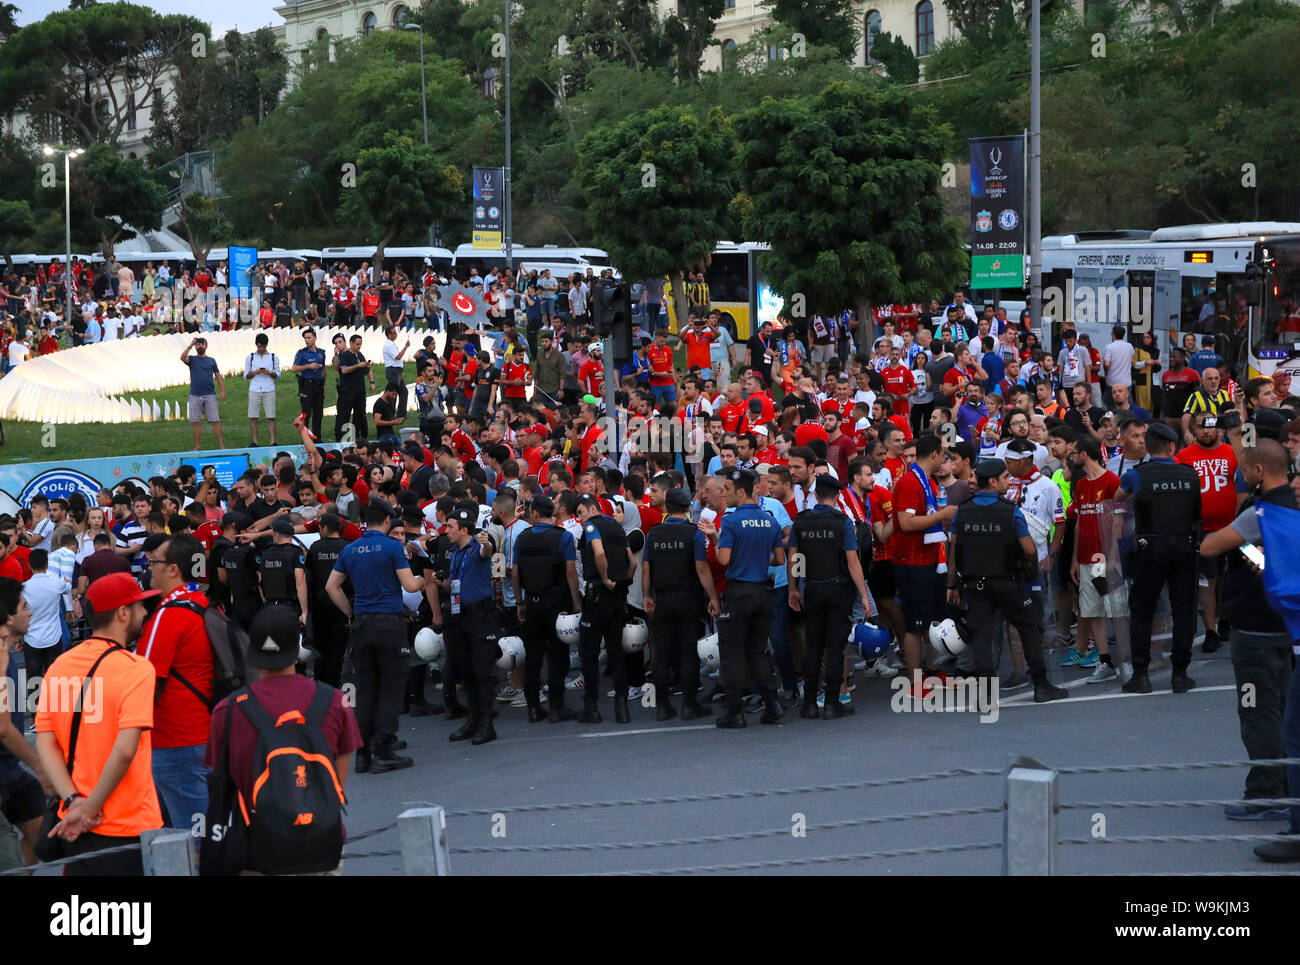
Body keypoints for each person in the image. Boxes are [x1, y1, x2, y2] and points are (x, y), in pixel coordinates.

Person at [203, 604, 362, 876]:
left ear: (253, 651)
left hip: (258, 849)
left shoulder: (227, 712)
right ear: (297, 649)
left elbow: (222, 780)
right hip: (321, 844)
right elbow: (336, 783)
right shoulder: (335, 702)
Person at [35, 572, 164, 875]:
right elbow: (124, 751)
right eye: (140, 607)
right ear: (122, 613)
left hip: (73, 823)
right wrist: (91, 807)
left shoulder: (60, 666)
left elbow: (45, 742)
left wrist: (73, 801)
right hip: (127, 823)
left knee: (86, 920)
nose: (145, 613)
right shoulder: (137, 669)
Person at [1200, 440, 1294, 823]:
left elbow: (1209, 546)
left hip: (1255, 628)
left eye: (1244, 469)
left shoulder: (1261, 512)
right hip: (1289, 625)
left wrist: (1249, 550)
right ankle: (1288, 784)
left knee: (1256, 711)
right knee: (1285, 709)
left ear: (1258, 471)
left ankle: (1266, 792)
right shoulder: (1295, 506)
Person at [947, 459, 1069, 705]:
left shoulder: (962, 511)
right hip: (1009, 583)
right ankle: (1041, 685)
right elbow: (1028, 548)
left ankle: (985, 695)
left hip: (975, 585)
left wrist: (952, 585)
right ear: (992, 482)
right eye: (1004, 477)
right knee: (1029, 629)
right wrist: (1031, 574)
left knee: (980, 636)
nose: (1009, 481)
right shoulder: (1010, 510)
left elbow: (953, 551)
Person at [137, 534, 216, 830]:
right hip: (204, 734)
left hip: (174, 741)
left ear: (173, 569)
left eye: (155, 561)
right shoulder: (203, 603)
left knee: (190, 841)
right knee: (206, 830)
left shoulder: (168, 614)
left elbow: (146, 682)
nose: (150, 567)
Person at [1117, 421, 1202, 694]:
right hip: (1184, 548)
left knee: (1142, 611)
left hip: (1149, 548)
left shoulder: (1138, 475)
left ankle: (1140, 676)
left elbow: (1119, 497)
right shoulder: (1190, 475)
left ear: (1148, 447)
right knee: (1184, 611)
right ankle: (1180, 674)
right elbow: (1196, 512)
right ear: (1172, 446)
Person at [788, 475, 873, 720]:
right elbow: (852, 561)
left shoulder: (801, 521)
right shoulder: (843, 522)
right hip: (837, 590)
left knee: (814, 645)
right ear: (836, 498)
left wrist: (794, 588)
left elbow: (795, 558)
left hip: (812, 588)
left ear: (815, 495)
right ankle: (833, 702)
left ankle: (810, 703)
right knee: (835, 647)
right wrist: (864, 595)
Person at [711, 468, 786, 728]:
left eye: (728, 491)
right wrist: (756, 558)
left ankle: (735, 711)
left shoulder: (730, 521)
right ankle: (772, 704)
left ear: (740, 492)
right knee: (757, 650)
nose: (724, 494)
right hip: (763, 592)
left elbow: (723, 560)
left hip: (739, 592)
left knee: (732, 652)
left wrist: (715, 539)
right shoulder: (769, 519)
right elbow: (780, 559)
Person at [642, 487, 719, 720]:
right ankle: (689, 704)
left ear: (666, 508)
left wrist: (646, 595)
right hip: (688, 597)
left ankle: (663, 706)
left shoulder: (653, 534)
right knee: (688, 651)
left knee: (662, 653)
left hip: (662, 598)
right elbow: (701, 567)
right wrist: (713, 596)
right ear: (687, 509)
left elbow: (646, 568)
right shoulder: (693, 533)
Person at [892, 435, 958, 697]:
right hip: (912, 562)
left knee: (932, 622)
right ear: (933, 454)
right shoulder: (910, 481)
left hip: (930, 560)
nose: (944, 458)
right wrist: (943, 515)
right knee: (915, 625)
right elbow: (906, 523)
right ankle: (915, 681)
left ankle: (932, 673)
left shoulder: (927, 480)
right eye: (943, 453)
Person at [431, 505, 500, 745]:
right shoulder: (456, 552)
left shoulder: (477, 547)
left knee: (482, 672)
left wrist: (486, 542)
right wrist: (442, 583)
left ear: (463, 529)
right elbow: (455, 585)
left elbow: (487, 551)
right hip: (461, 617)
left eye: (450, 527)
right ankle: (473, 719)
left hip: (481, 616)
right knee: (468, 671)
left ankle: (486, 724)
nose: (446, 530)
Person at [511, 495, 583, 723]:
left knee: (533, 655)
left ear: (533, 513)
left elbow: (515, 572)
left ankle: (533, 706)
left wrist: (520, 602)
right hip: (556, 602)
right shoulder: (563, 537)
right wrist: (576, 601)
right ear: (551, 513)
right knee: (557, 655)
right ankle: (556, 707)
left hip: (531, 601)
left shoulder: (522, 538)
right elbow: (571, 571)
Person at [1175, 409, 1237, 653]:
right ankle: (1210, 629)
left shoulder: (1234, 453)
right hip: (1202, 532)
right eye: (1202, 426)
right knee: (1207, 581)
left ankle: (1226, 618)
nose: (1207, 430)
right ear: (1194, 429)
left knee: (1232, 578)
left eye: (1212, 425)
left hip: (1235, 530)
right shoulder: (1183, 457)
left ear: (1220, 428)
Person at [575, 493, 635, 723]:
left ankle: (591, 707)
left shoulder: (592, 526)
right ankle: (622, 708)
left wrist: (606, 577)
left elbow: (598, 552)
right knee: (615, 651)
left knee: (589, 652)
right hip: (618, 597)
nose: (579, 518)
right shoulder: (617, 526)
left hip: (598, 594)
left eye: (580, 512)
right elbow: (633, 562)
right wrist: (623, 582)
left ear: (591, 509)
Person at [305, 513, 350, 689]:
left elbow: (308, 578)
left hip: (319, 605)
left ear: (324, 528)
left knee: (321, 647)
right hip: (342, 604)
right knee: (339, 648)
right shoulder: (347, 547)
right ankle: (337, 684)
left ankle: (321, 686)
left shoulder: (315, 548)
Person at [180, 336, 226, 451]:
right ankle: (197, 447)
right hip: (195, 395)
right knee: (195, 422)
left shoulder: (211, 360)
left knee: (215, 420)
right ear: (195, 346)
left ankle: (221, 446)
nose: (200, 346)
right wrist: (190, 345)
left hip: (210, 394)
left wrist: (223, 391)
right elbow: (182, 358)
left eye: (202, 344)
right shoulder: (192, 359)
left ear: (206, 346)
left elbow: (218, 376)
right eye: (198, 344)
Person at [243, 331, 281, 446]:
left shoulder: (273, 357)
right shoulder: (250, 357)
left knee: (271, 416)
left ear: (266, 345)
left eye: (263, 346)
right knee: (253, 417)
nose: (261, 349)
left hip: (269, 388)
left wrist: (269, 372)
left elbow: (278, 374)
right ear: (256, 345)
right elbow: (246, 376)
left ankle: (272, 442)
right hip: (254, 388)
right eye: (259, 346)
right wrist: (255, 372)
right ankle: (255, 442)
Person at [291, 327, 327, 440]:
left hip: (318, 384)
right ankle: (305, 438)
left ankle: (317, 437)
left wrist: (324, 383)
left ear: (315, 338)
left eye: (309, 337)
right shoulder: (302, 353)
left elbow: (323, 368)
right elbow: (294, 368)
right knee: (306, 412)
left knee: (318, 412)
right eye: (305, 338)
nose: (307, 340)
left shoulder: (321, 353)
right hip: (306, 384)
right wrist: (308, 366)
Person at [382, 326, 411, 418]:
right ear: (389, 335)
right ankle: (390, 414)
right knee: (393, 393)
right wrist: (406, 347)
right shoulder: (389, 345)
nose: (396, 334)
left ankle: (401, 414)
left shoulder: (391, 344)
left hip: (396, 371)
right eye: (393, 333)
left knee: (403, 392)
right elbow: (398, 356)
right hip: (393, 370)